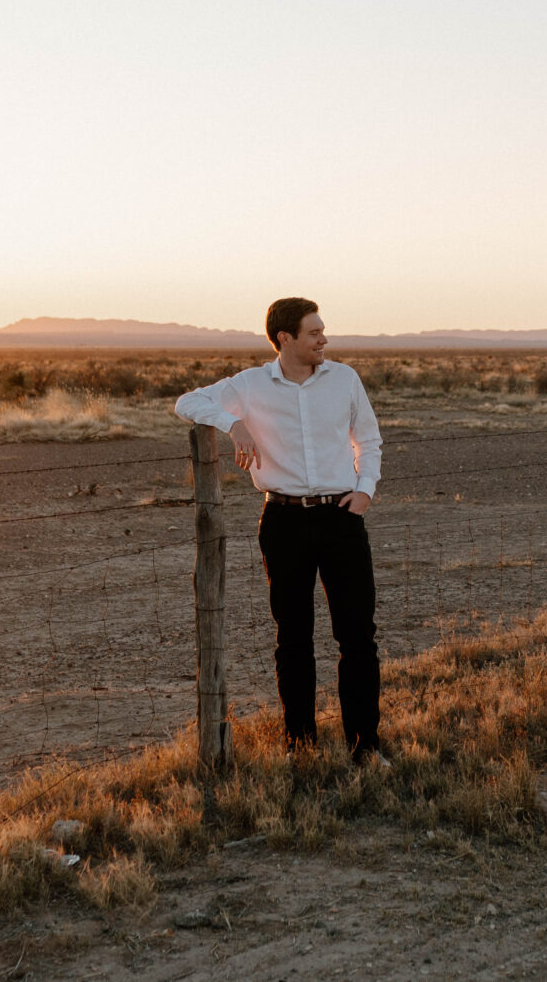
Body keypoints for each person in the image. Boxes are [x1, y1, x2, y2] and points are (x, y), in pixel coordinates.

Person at [173, 298, 387, 763]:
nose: (324, 339)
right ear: (285, 339)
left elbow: (367, 439)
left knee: (357, 637)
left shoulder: (344, 379)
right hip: (284, 521)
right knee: (293, 638)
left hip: (342, 517)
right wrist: (234, 425)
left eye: (323, 331)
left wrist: (365, 490)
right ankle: (301, 745)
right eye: (314, 333)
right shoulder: (251, 385)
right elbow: (187, 402)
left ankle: (365, 746)